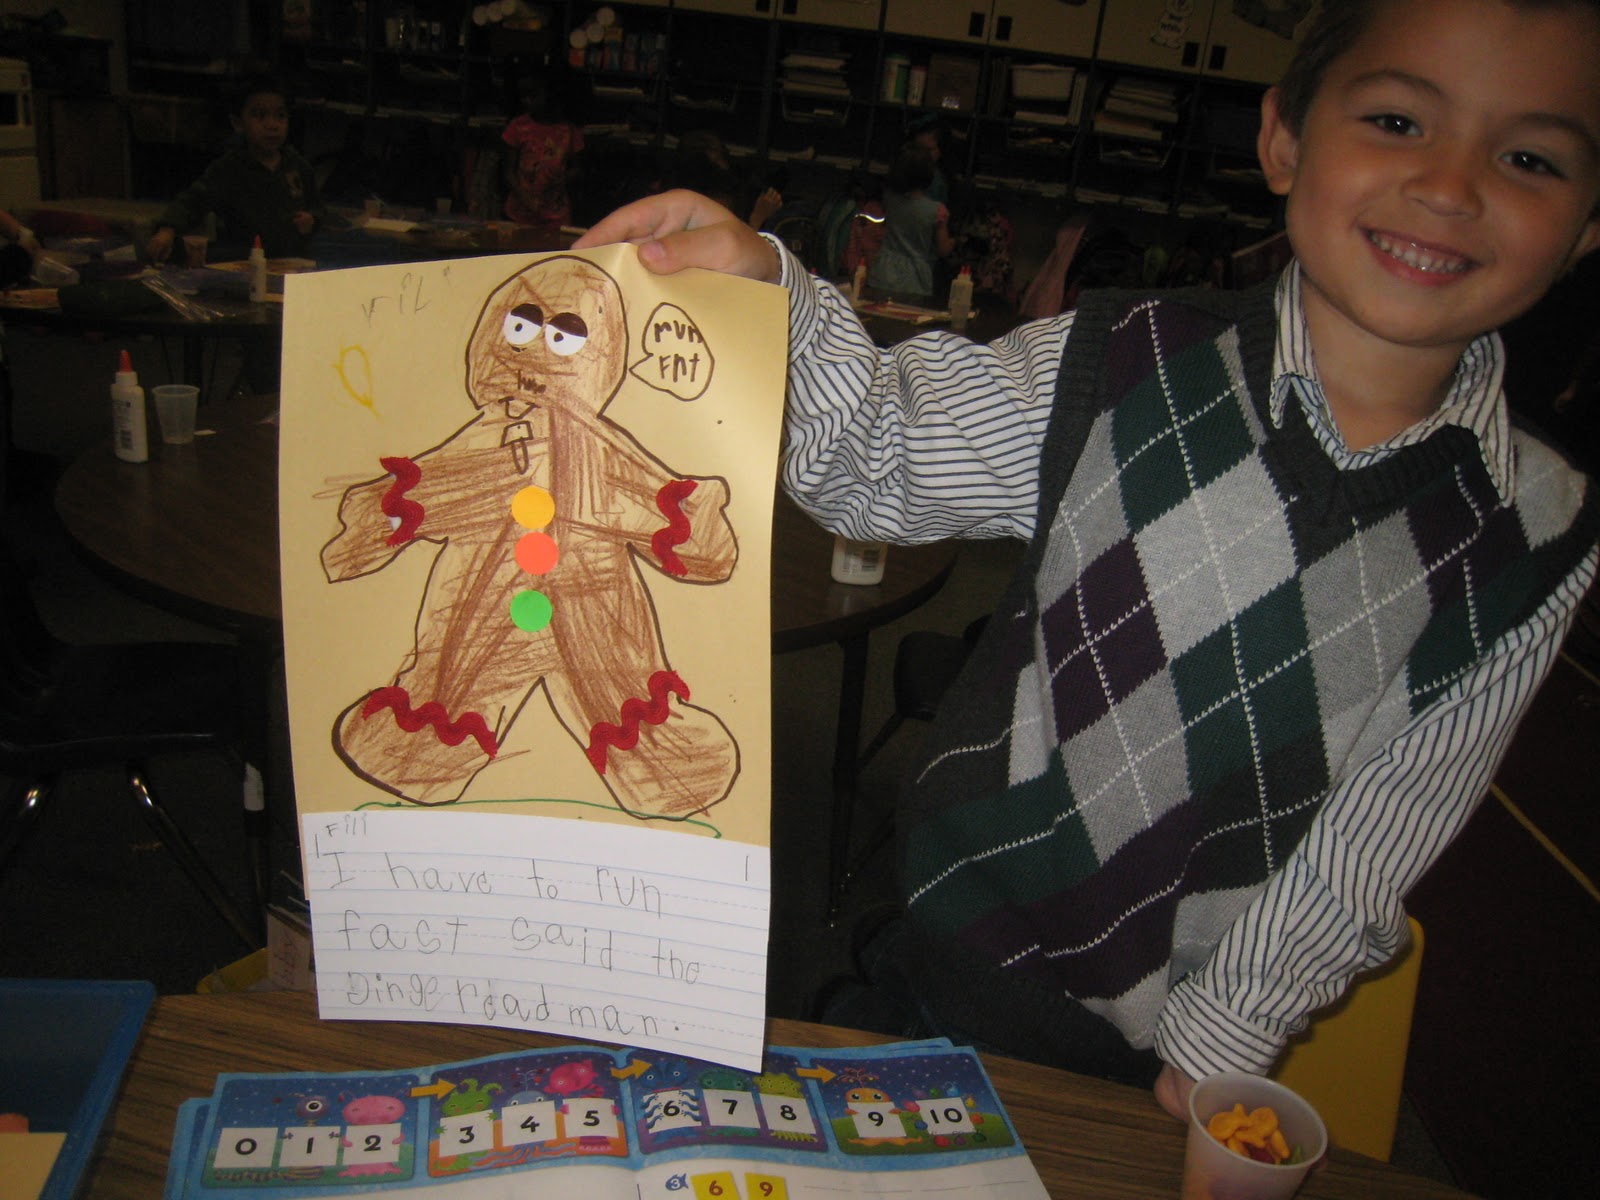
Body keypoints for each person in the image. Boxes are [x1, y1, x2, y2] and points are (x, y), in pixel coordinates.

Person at [574, 0, 1600, 1122]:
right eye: (1398, 121)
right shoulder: (1120, 361)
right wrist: (768, 292)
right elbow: (879, 455)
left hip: (1160, 1059)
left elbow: (1377, 835)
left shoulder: (1539, 530)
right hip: (939, 963)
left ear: (1589, 223)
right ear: (1283, 139)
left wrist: (1217, 1048)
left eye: (1530, 158)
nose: (1450, 186)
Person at [145, 74, 323, 263]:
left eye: (280, 116)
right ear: (238, 123)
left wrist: (313, 220)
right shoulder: (229, 168)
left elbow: (317, 207)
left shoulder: (297, 165)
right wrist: (167, 229)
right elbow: (192, 201)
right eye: (260, 115)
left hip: (295, 262)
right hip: (245, 261)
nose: (272, 125)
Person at [865, 141, 954, 301]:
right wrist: (955, 241)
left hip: (884, 269)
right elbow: (943, 249)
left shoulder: (889, 199)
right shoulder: (937, 211)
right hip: (915, 277)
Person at [500, 68, 585, 229]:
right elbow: (508, 171)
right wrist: (524, 197)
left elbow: (578, 168)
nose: (527, 101)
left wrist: (561, 178)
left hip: (556, 214)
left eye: (533, 96)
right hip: (520, 213)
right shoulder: (518, 126)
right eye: (523, 96)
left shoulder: (569, 130)